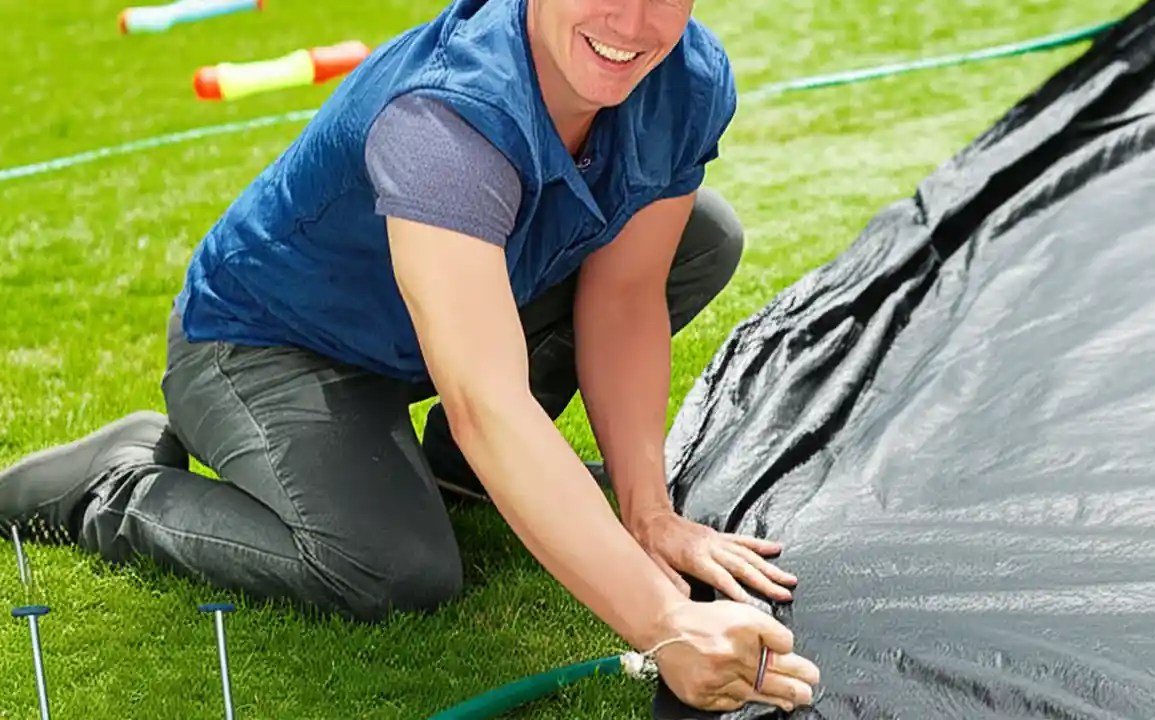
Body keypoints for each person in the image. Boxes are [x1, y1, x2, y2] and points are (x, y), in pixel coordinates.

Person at [0, 0, 820, 712]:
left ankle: (460, 474)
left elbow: (625, 294)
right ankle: (113, 486)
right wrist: (666, 624)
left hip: (440, 318)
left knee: (699, 238)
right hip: (268, 344)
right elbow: (486, 400)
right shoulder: (448, 120)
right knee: (392, 573)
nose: (631, 26)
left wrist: (649, 515)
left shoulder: (686, 77)